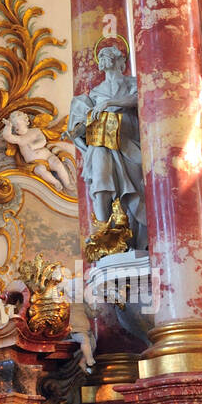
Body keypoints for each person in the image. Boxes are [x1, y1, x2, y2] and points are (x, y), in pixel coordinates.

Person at [67, 42, 147, 250]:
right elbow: (82, 125)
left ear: (121, 61)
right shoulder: (94, 93)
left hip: (128, 143)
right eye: (101, 55)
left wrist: (110, 104)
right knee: (101, 180)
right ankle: (103, 231)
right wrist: (77, 130)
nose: (105, 57)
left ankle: (137, 236)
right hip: (102, 143)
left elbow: (140, 98)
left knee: (138, 190)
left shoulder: (132, 82)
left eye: (111, 55)